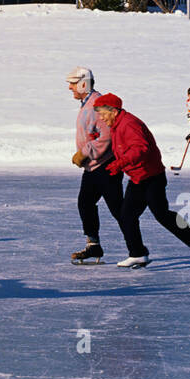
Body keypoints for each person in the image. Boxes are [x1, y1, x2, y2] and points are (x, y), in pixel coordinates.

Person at [93, 92, 190, 268]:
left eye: (102, 113)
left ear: (113, 111)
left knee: (161, 213)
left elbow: (141, 149)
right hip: (139, 177)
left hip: (151, 176)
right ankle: (137, 254)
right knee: (126, 215)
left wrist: (121, 163)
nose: (101, 118)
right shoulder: (118, 124)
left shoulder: (129, 124)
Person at [65, 66, 121, 264]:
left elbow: (106, 138)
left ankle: (136, 248)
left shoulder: (97, 105)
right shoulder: (87, 103)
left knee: (119, 209)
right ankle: (93, 245)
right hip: (93, 167)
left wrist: (84, 153)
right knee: (85, 203)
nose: (70, 88)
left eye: (72, 84)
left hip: (106, 166)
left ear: (83, 83)